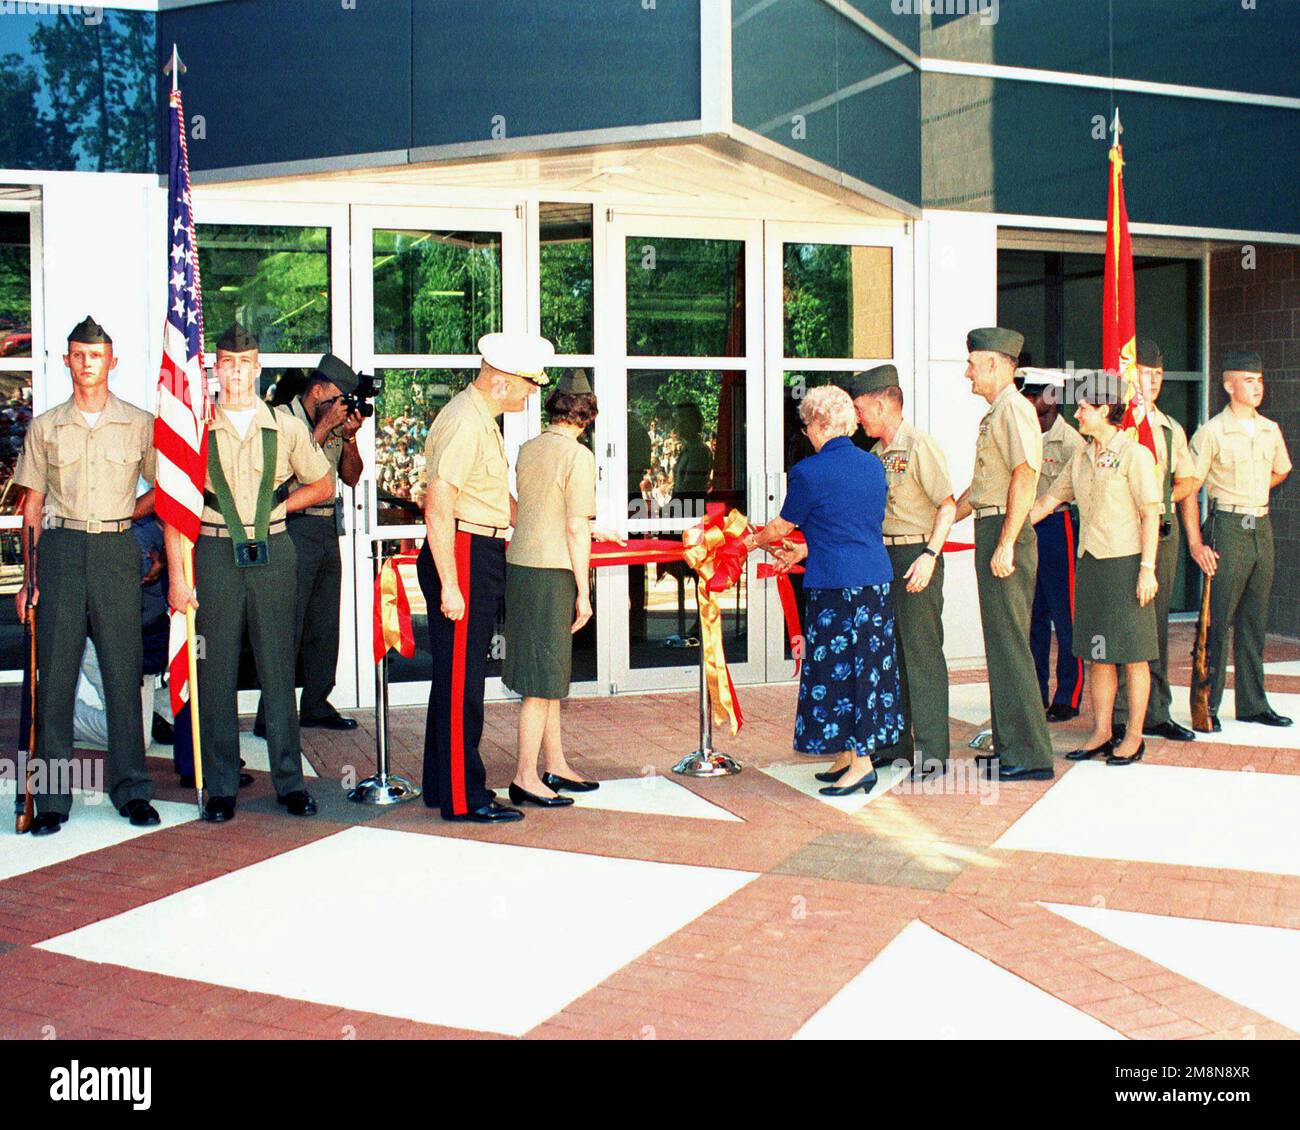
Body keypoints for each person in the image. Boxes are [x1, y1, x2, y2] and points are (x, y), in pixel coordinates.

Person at [164, 323, 334, 823]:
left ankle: (289, 781)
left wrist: (281, 506)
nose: (236, 373)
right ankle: (219, 785)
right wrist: (178, 577)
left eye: (245, 364)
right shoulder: (194, 428)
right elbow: (175, 507)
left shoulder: (283, 426)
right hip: (214, 555)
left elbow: (323, 483)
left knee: (280, 667)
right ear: (215, 369)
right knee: (215, 671)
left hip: (274, 553)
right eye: (227, 364)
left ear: (257, 368)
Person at [13, 316, 160, 836]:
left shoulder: (139, 423)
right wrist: (29, 579)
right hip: (62, 549)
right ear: (67, 361)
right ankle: (52, 798)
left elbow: (165, 490)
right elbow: (31, 505)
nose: (86, 363)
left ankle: (132, 790)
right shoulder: (46, 426)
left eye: (95, 355)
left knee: (123, 672)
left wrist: (130, 515)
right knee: (54, 676)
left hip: (117, 550)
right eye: (78, 354)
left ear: (111, 361)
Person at [419, 332, 553, 823]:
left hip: (477, 546)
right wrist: (451, 584)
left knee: (454, 677)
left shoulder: (480, 418)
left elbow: (493, 501)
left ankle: (441, 784)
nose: (532, 392)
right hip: (462, 548)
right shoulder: (465, 421)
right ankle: (463, 796)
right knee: (462, 683)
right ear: (499, 381)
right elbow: (439, 506)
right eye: (527, 383)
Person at [746, 384, 902, 797]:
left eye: (806, 425)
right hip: (872, 583)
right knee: (867, 669)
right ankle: (850, 755)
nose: (805, 433)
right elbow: (851, 526)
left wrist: (746, 541)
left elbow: (780, 526)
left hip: (835, 587)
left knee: (839, 673)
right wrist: (803, 547)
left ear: (818, 423)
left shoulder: (808, 472)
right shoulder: (873, 465)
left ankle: (863, 765)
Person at [1030, 372, 1161, 766]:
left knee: (1134, 656)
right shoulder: (1082, 456)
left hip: (1126, 566)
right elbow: (1050, 500)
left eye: (1085, 407)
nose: (1079, 413)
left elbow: (1150, 513)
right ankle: (1102, 731)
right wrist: (1010, 530)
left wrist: (1148, 568)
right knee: (1098, 655)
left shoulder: (1135, 454)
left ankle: (1134, 737)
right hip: (1091, 566)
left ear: (1105, 410)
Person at [503, 369, 620, 806]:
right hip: (551, 573)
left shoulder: (529, 449)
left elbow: (534, 508)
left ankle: (554, 765)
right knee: (541, 680)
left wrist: (595, 529)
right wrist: (584, 591)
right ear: (587, 414)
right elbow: (574, 528)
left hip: (522, 565)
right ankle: (524, 777)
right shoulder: (579, 456)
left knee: (547, 675)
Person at [838, 365, 955, 781]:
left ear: (884, 402)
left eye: (860, 408)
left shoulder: (920, 445)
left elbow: (948, 504)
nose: (857, 418)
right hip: (882, 560)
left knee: (922, 655)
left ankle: (933, 753)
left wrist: (930, 554)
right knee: (891, 658)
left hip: (915, 557)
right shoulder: (875, 456)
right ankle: (895, 744)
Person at [953, 327, 1055, 782]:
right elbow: (983, 486)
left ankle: (1030, 754)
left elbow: (1024, 475)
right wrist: (944, 517)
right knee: (1001, 644)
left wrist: (1008, 541)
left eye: (973, 364)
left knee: (1012, 644)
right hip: (992, 522)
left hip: (1005, 528)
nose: (967, 372)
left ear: (995, 364)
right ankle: (1011, 743)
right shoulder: (997, 413)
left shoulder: (1014, 410)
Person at [253, 352, 365, 737]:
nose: (339, 409)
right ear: (317, 391)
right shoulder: (282, 419)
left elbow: (351, 478)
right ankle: (272, 715)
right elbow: (279, 478)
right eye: (336, 400)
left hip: (326, 530)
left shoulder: (332, 425)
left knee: (324, 624)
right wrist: (321, 430)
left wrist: (348, 438)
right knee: (287, 624)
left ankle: (316, 702)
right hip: (292, 527)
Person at [1181, 351, 1293, 730]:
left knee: (1254, 621)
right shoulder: (1211, 432)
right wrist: (1196, 545)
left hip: (1261, 527)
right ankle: (1207, 705)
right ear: (1229, 386)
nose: (1257, 386)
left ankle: (1253, 703)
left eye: (1260, 380)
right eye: (1248, 380)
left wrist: (1255, 492)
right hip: (1226, 527)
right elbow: (1188, 490)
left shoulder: (1269, 429)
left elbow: (1281, 470)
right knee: (1217, 621)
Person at [1113, 339, 1199, 742]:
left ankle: (1157, 711)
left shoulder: (1169, 428)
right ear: (1130, 375)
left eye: (1159, 375)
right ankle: (1118, 715)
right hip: (1120, 535)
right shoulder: (1117, 425)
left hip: (1160, 534)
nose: (1153, 382)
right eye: (1145, 373)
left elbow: (1189, 480)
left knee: (1155, 625)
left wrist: (1163, 500)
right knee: (1120, 624)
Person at [1020, 369, 1086, 722]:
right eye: (1026, 395)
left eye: (1037, 395)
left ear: (1054, 397)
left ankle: (1068, 695)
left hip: (1059, 527)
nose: (1030, 401)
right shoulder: (1023, 434)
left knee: (1066, 616)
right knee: (1034, 616)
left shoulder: (1072, 442)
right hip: (1028, 529)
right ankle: (1035, 692)